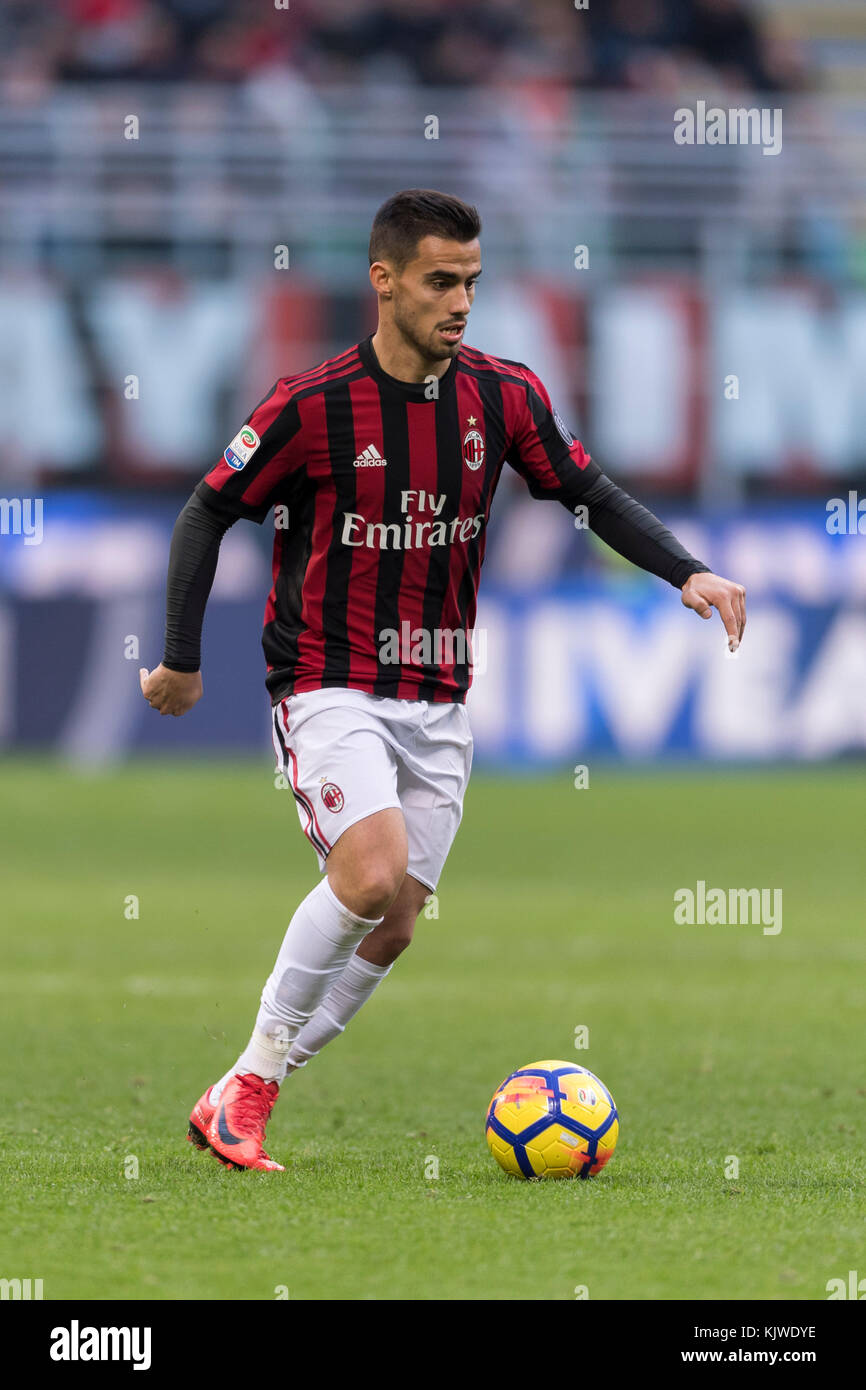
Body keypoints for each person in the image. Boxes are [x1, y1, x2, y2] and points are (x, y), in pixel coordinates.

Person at [140, 188, 746, 1171]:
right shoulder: (309, 404)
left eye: (469, 280)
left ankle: (242, 1093)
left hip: (437, 696)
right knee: (369, 874)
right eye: (438, 281)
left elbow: (583, 492)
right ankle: (250, 1081)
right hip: (325, 679)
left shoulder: (501, 396)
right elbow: (207, 511)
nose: (459, 300)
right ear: (382, 280)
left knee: (397, 922)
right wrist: (178, 657)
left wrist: (689, 568)